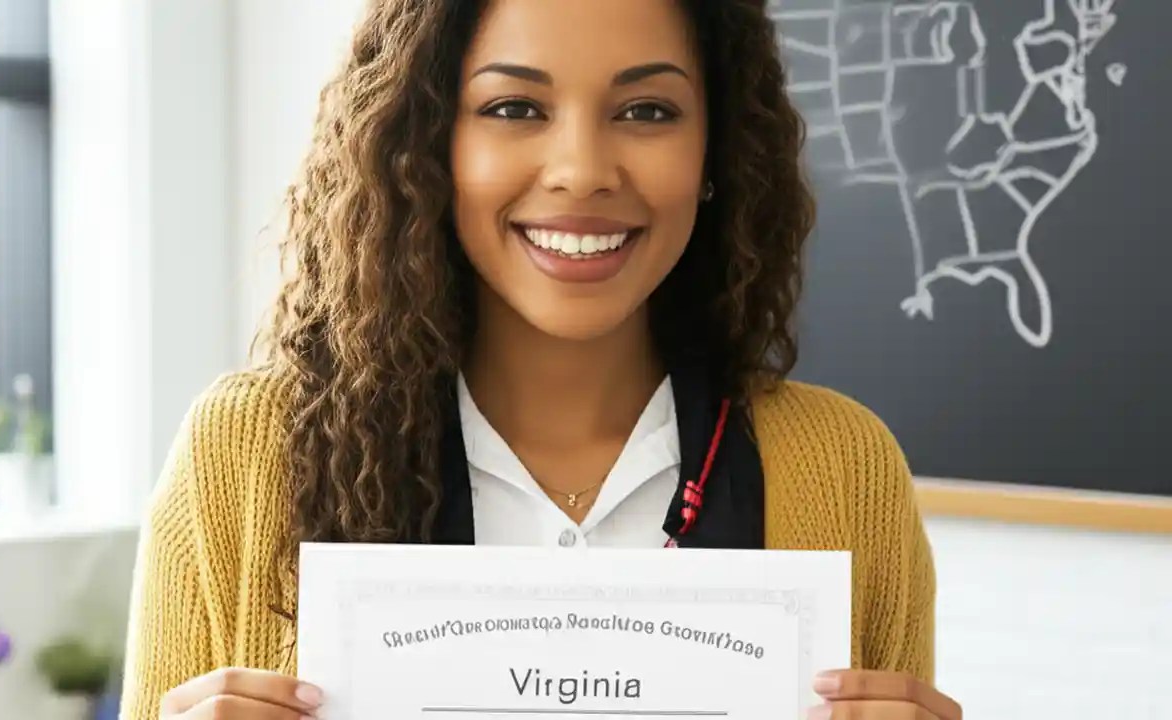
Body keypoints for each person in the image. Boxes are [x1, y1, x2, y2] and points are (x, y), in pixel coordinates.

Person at [120, 1, 963, 718]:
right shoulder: (242, 455)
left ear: (717, 153)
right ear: (427, 142)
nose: (582, 171)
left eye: (647, 112)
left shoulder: (847, 473)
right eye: (515, 108)